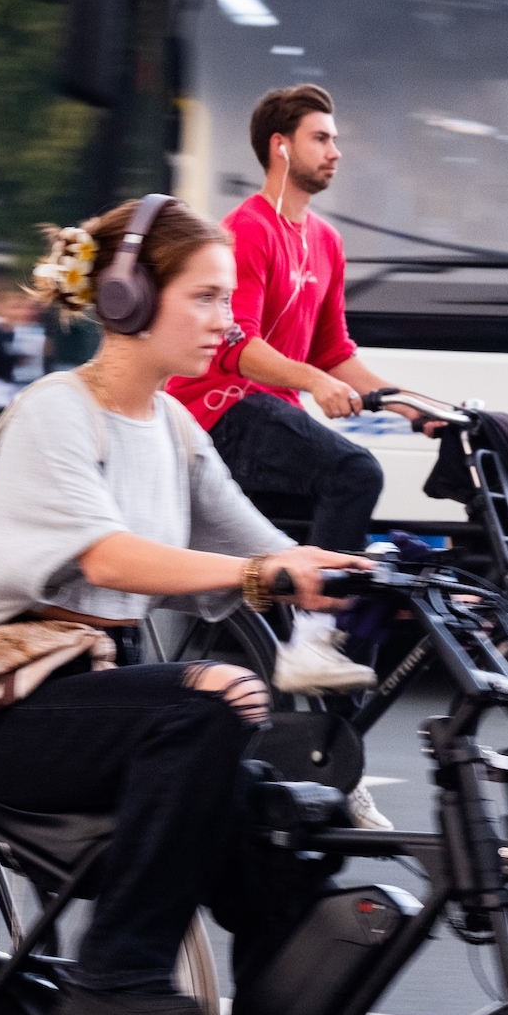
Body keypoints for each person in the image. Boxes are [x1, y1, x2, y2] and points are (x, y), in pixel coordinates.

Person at [0, 194, 394, 1015]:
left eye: (226, 299)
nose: (222, 319)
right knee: (209, 697)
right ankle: (116, 967)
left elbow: (263, 542)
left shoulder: (175, 425)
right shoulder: (59, 413)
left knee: (311, 914)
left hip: (116, 709)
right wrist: (257, 579)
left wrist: (380, 579)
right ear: (124, 297)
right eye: (202, 297)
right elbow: (115, 553)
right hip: (18, 711)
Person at [168, 86, 395, 694]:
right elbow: (234, 346)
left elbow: (333, 351)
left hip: (269, 417)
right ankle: (309, 644)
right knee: (353, 472)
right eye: (321, 138)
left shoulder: (326, 242)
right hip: (221, 414)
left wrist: (408, 403)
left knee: (367, 578)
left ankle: (332, 761)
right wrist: (315, 383)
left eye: (335, 139)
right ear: (281, 147)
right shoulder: (245, 231)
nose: (335, 151)